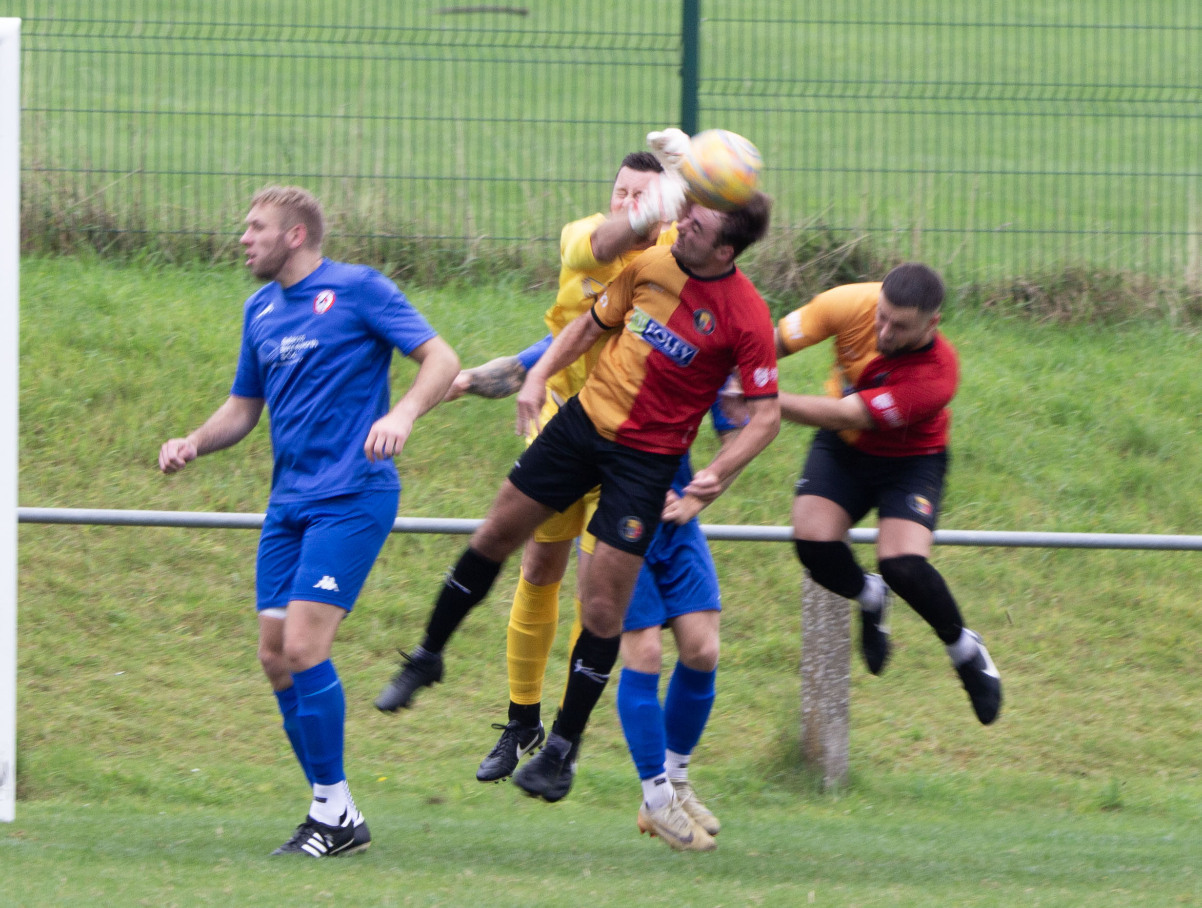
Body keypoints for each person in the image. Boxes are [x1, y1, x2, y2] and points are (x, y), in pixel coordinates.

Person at [374, 185, 780, 806]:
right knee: (494, 536)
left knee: (601, 611)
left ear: (725, 244)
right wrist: (536, 376)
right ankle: (428, 656)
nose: (683, 222)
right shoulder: (650, 264)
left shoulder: (746, 314)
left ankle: (561, 749)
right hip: (581, 428)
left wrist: (716, 475)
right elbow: (588, 328)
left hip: (647, 464)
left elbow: (766, 416)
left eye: (697, 221)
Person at [158, 186, 459, 857]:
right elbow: (243, 407)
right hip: (289, 503)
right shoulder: (259, 308)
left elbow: (443, 360)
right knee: (274, 656)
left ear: (295, 235)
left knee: (303, 648)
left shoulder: (359, 289)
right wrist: (193, 442)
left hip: (353, 495)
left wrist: (402, 413)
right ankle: (338, 810)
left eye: (256, 227)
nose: (244, 237)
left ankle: (329, 814)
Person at [376, 144, 682, 778]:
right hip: (566, 419)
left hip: (636, 440)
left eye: (641, 196)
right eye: (620, 191)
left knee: (599, 593)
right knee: (537, 561)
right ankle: (520, 719)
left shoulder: (674, 256)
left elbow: (728, 225)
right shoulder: (584, 238)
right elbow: (565, 329)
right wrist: (483, 379)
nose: (627, 204)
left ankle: (563, 744)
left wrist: (691, 170)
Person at [443, 338, 743, 852]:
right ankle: (654, 798)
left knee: (703, 648)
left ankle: (675, 781)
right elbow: (535, 357)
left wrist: (702, 490)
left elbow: (738, 428)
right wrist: (468, 380)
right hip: (618, 523)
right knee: (642, 652)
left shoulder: (706, 339)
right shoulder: (617, 323)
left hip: (674, 517)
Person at [774, 262, 1002, 724]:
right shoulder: (847, 303)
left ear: (931, 323)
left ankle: (963, 648)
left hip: (910, 461)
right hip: (843, 451)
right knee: (812, 545)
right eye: (882, 316)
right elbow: (764, 345)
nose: (884, 329)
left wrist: (760, 399)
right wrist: (726, 372)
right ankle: (869, 597)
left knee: (902, 565)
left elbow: (844, 414)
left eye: (899, 326)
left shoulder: (937, 375)